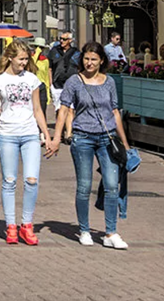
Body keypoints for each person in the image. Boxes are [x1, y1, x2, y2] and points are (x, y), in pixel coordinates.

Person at [47, 41, 131, 250]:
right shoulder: (74, 82)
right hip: (82, 137)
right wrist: (56, 138)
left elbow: (115, 112)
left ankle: (110, 232)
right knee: (84, 187)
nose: (89, 63)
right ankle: (84, 229)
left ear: (101, 61)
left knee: (112, 185)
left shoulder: (109, 82)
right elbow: (64, 110)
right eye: (86, 59)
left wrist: (126, 145)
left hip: (107, 138)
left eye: (94, 59)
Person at [0, 41, 48, 245]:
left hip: (29, 134)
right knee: (9, 181)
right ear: (10, 57)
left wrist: (46, 133)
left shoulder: (32, 79)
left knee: (31, 180)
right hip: (7, 134)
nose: (24, 62)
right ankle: (11, 225)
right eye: (21, 58)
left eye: (26, 59)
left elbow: (37, 109)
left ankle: (26, 225)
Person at [48, 33, 80, 109]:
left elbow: (79, 68)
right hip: (57, 85)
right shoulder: (54, 51)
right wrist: (50, 83)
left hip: (71, 85)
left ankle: (69, 121)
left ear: (70, 40)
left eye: (64, 39)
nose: (61, 41)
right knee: (58, 108)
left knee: (71, 109)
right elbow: (50, 68)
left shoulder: (76, 52)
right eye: (60, 39)